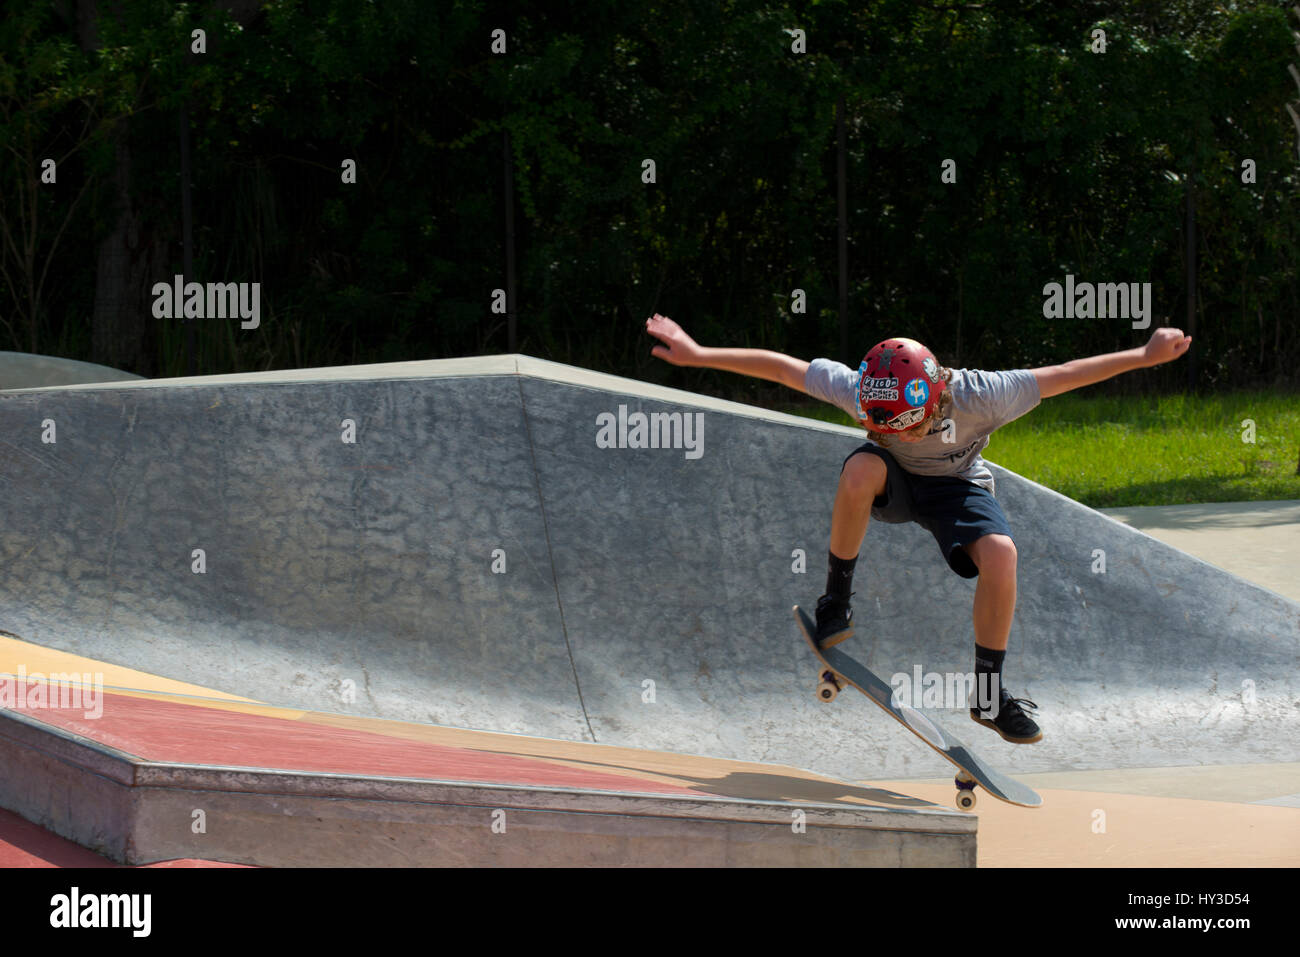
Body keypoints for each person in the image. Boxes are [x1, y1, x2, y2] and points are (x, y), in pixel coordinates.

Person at [645, 313, 1191, 743]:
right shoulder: (862, 390)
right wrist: (699, 355)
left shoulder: (984, 395)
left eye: (918, 426)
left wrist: (1144, 356)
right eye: (892, 429)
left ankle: (988, 693)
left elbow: (1064, 376)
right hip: (897, 483)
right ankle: (836, 601)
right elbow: (786, 368)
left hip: (960, 488)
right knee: (863, 465)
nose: (908, 435)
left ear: (936, 398)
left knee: (1001, 555)